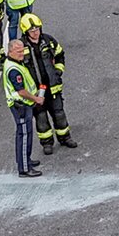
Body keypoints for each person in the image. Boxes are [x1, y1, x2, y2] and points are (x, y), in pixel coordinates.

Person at [20, 13, 78, 154]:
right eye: (32, 31)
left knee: (58, 113)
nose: (35, 32)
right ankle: (47, 143)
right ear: (25, 31)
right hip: (35, 90)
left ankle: (65, 137)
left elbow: (59, 55)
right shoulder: (21, 47)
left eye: (37, 29)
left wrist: (58, 72)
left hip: (52, 86)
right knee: (41, 117)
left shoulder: (48, 41)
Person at [0, 40, 44, 178]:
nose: (21, 54)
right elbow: (21, 91)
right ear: (10, 52)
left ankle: (25, 161)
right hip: (21, 105)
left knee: (25, 134)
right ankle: (24, 168)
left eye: (22, 51)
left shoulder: (15, 63)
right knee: (24, 135)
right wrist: (36, 99)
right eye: (18, 52)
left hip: (22, 104)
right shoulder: (14, 69)